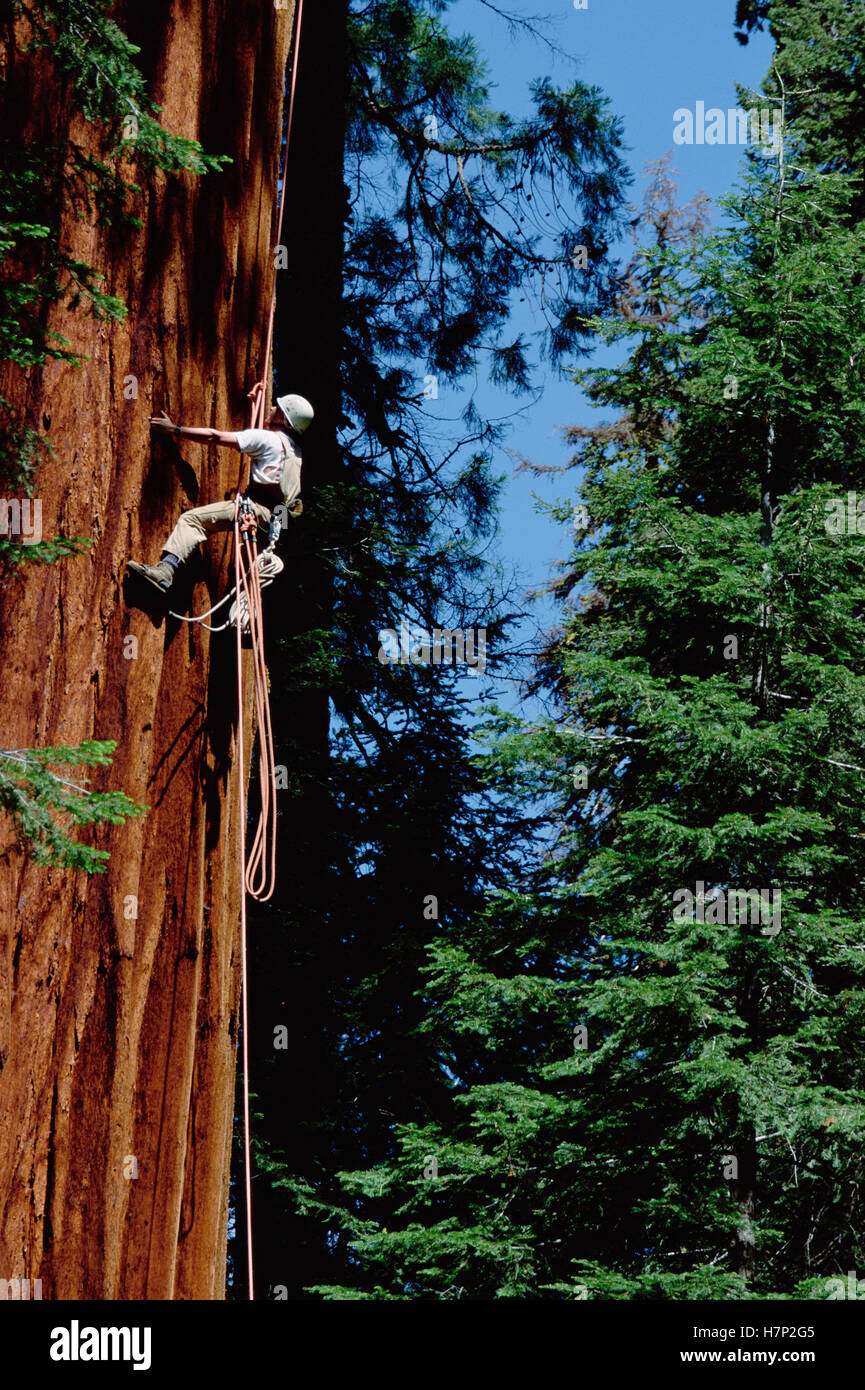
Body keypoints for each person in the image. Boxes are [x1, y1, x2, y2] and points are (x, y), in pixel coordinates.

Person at [126, 386, 314, 593]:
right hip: (276, 522)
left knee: (191, 520)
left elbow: (215, 437)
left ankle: (165, 571)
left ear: (282, 419)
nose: (270, 408)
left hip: (256, 510)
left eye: (275, 407)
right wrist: (253, 405)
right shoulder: (296, 453)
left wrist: (174, 429)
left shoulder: (267, 439)